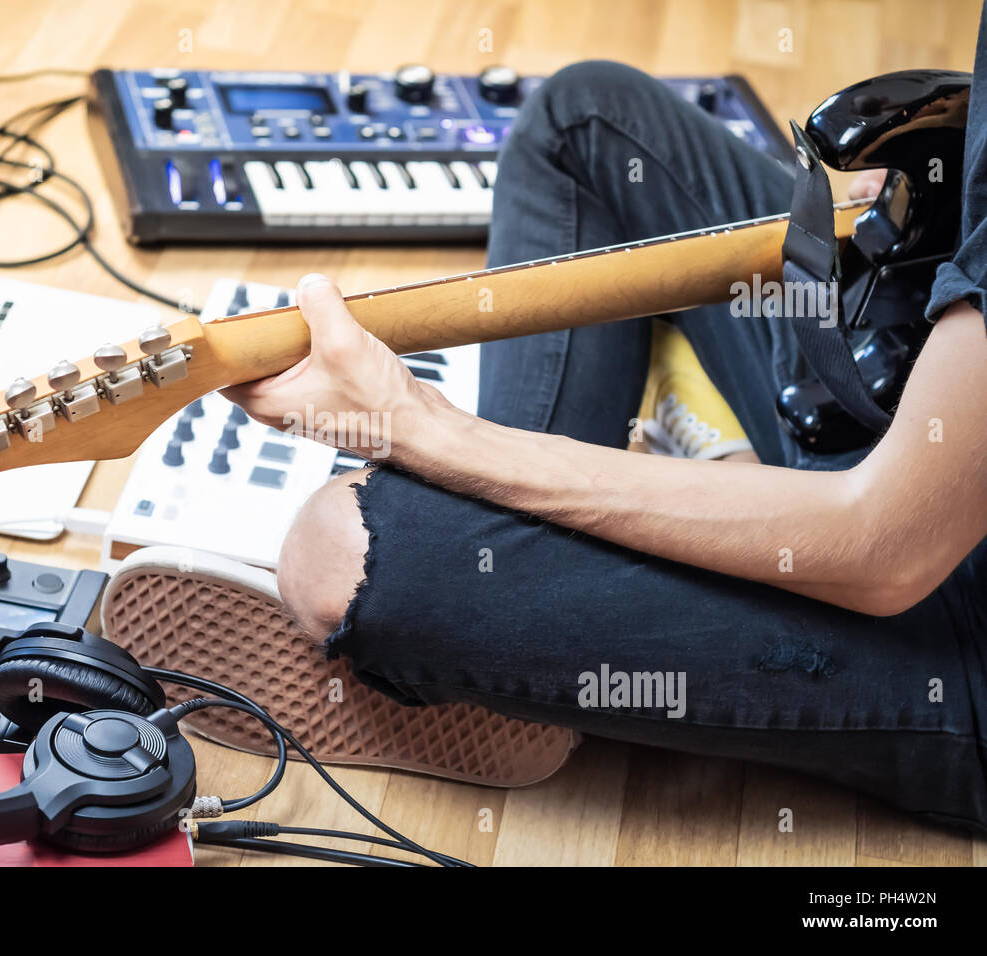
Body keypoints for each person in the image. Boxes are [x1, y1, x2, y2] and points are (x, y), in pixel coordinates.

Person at [222, 29, 987, 833]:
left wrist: (422, 428)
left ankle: (509, 617)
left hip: (943, 613)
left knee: (336, 547)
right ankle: (516, 594)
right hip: (925, 407)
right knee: (586, 120)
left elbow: (884, 549)